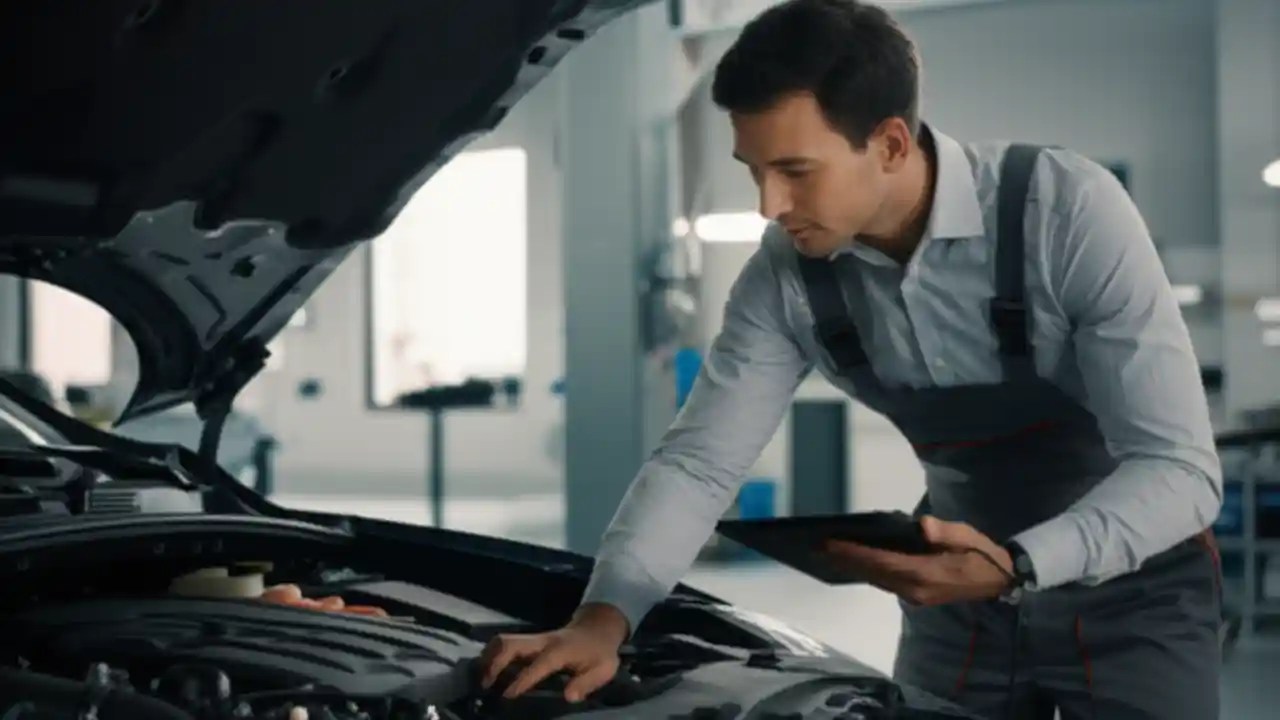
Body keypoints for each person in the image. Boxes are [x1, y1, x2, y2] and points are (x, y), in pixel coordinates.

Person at [478, 1, 1225, 717]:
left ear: (892, 144)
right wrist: (605, 620)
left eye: (797, 170)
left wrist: (1018, 564)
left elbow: (1180, 470)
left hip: (1134, 589)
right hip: (955, 606)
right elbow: (700, 464)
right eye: (753, 169)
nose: (769, 204)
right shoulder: (786, 274)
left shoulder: (1063, 213)